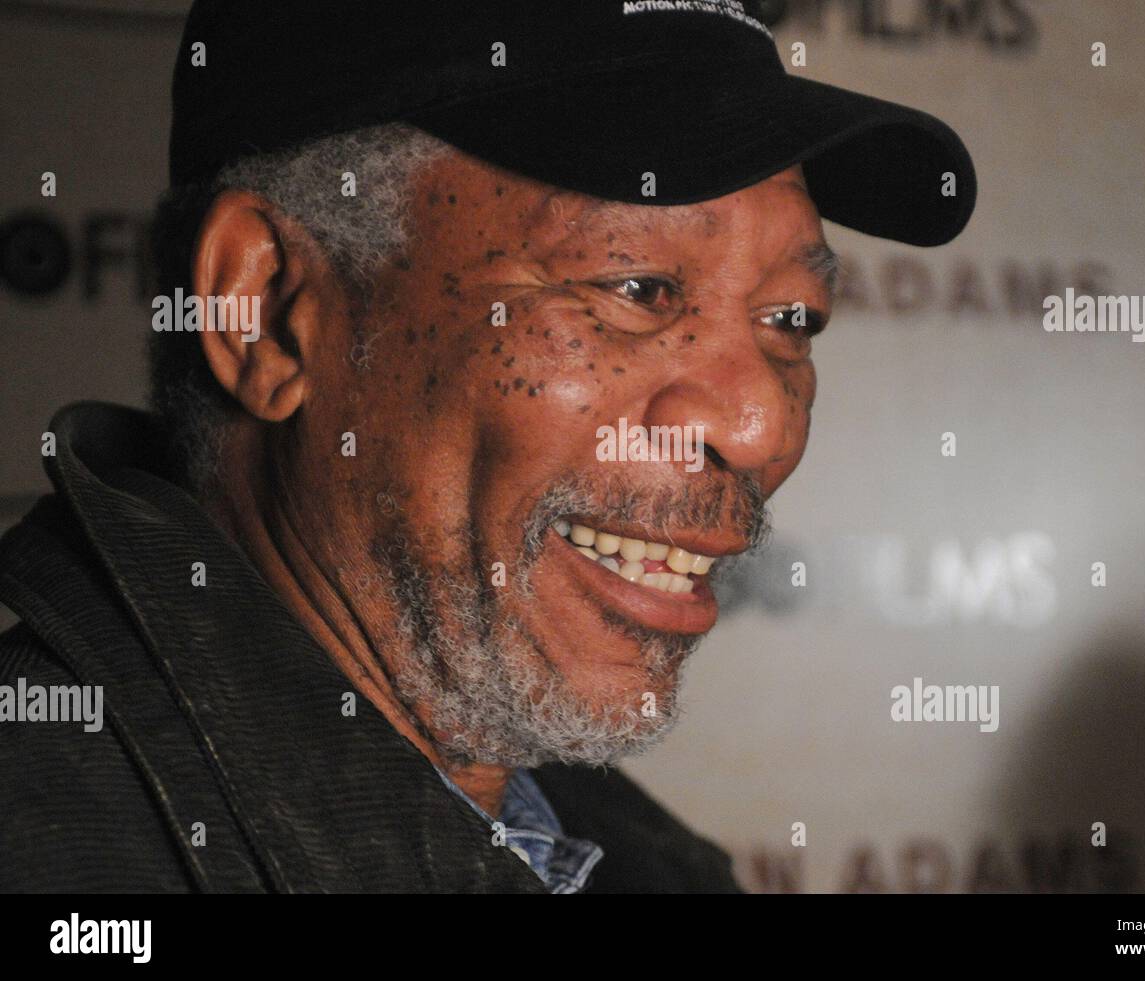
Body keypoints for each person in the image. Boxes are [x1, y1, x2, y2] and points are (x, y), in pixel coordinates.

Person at [0, 0, 974, 893]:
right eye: (637, 288)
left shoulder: (649, 869)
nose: (761, 425)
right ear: (263, 311)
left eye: (794, 317)